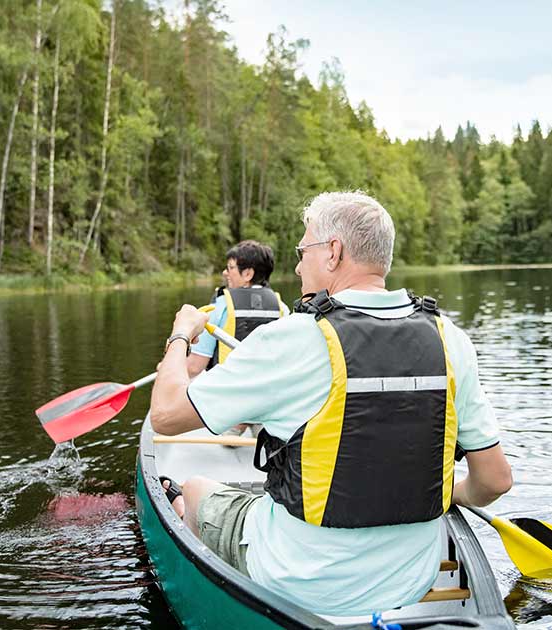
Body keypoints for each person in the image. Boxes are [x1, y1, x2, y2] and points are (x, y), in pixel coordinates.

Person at [150, 191, 512, 616]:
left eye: (304, 250)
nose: (299, 264)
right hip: (412, 581)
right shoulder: (451, 339)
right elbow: (494, 482)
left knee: (194, 490)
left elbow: (167, 414)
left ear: (334, 252)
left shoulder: (295, 337)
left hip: (298, 581)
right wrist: (448, 491)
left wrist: (181, 334)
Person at [186, 240, 288, 379]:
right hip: (266, 391)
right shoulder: (282, 308)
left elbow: (193, 367)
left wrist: (168, 363)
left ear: (247, 274)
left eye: (230, 268)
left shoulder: (220, 306)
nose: (225, 272)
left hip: (228, 392)